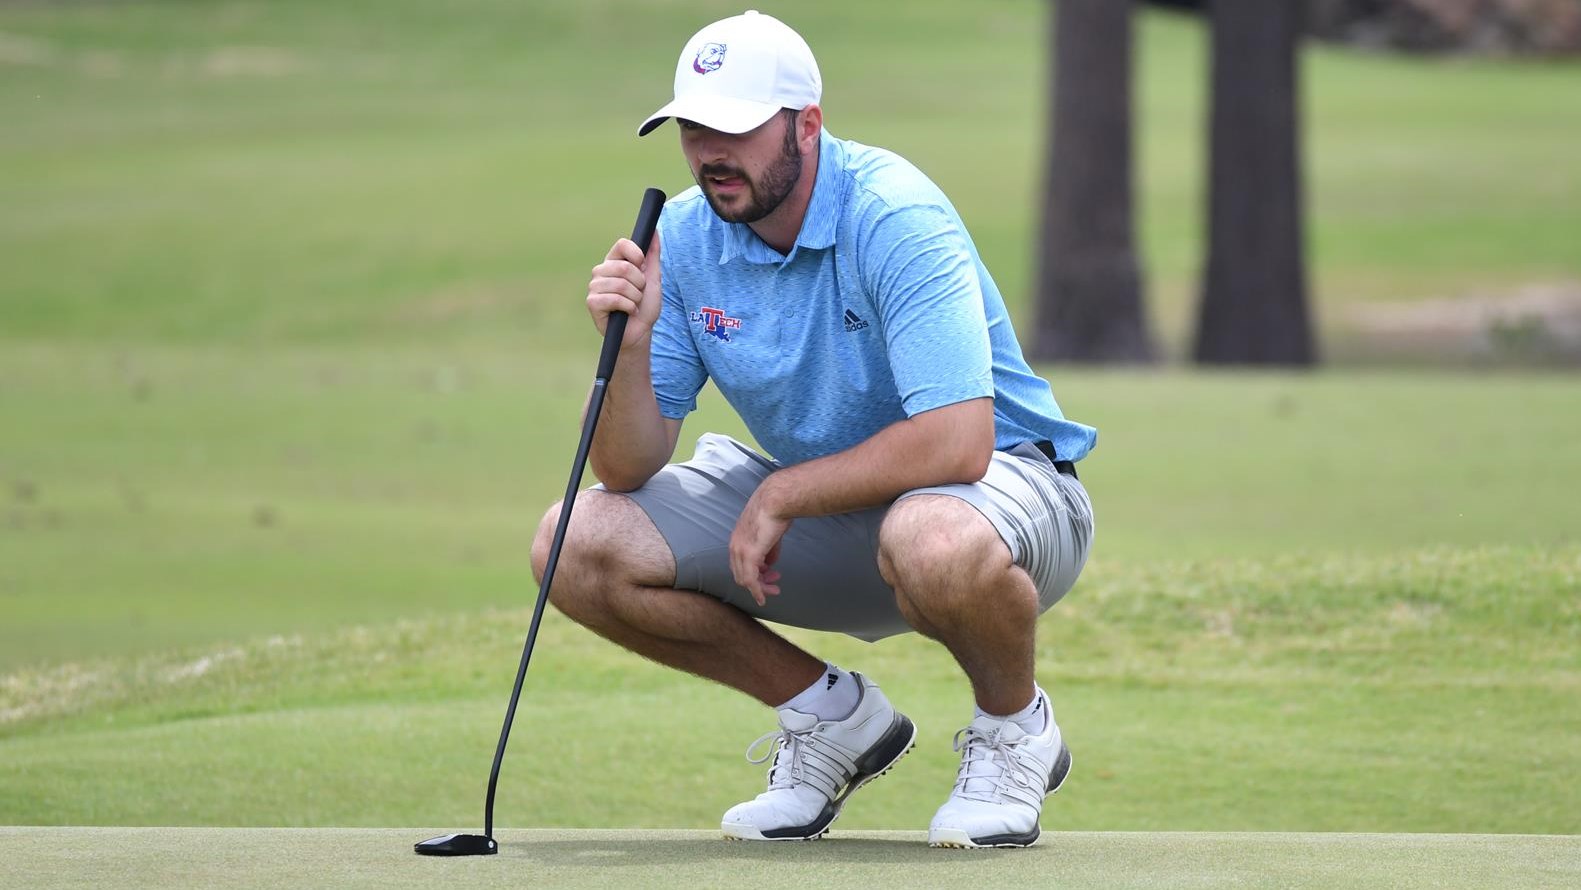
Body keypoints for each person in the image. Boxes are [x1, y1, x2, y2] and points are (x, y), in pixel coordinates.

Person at [534, 10, 1096, 849]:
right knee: (573, 542)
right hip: (835, 513)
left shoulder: (892, 213)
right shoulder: (686, 235)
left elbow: (957, 440)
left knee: (930, 538)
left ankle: (1015, 732)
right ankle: (833, 720)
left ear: (806, 125)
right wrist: (638, 336)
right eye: (692, 128)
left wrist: (786, 491)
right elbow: (625, 467)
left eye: (733, 128)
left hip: (1002, 499)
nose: (708, 152)